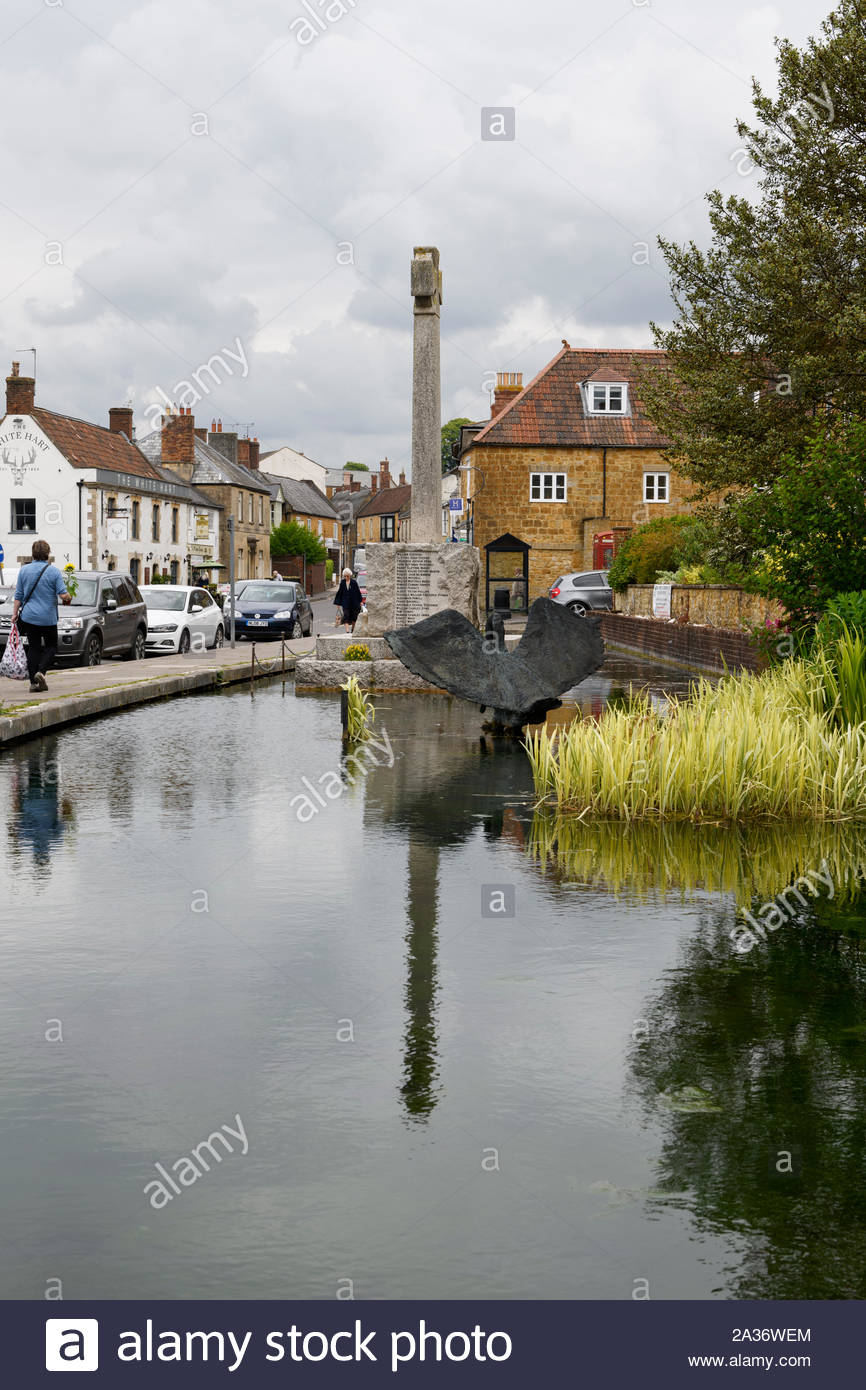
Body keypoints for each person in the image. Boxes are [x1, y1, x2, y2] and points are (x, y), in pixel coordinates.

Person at [12, 540, 71, 692]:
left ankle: (33, 683)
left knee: (34, 648)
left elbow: (18, 595)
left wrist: (14, 614)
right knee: (51, 646)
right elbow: (63, 594)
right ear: (47, 553)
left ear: (33, 553)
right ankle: (41, 672)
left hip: (29, 616)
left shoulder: (24, 571)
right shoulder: (54, 572)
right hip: (48, 617)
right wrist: (68, 596)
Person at [334, 567, 362, 633]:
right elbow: (339, 593)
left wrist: (360, 601)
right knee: (346, 615)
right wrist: (338, 603)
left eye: (347, 576)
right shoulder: (342, 583)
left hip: (354, 603)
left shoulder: (354, 582)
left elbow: (358, 592)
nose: (346, 577)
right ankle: (347, 631)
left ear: (350, 575)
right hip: (345, 603)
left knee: (354, 616)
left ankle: (353, 629)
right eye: (345, 576)